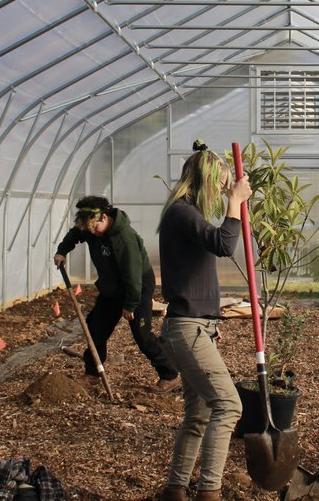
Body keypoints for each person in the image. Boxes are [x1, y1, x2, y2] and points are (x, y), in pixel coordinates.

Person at [154, 141, 252, 501]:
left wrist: (212, 317)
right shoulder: (181, 213)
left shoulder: (185, 214)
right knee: (229, 406)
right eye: (221, 185)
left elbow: (197, 272)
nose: (223, 191)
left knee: (197, 415)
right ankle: (209, 491)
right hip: (186, 330)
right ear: (206, 182)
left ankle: (175, 489)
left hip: (196, 327)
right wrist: (235, 203)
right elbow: (225, 244)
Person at [54, 195, 180, 393]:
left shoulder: (124, 238)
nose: (92, 233)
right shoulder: (90, 225)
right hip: (111, 287)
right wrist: (62, 251)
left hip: (136, 286)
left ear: (104, 217)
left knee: (142, 335)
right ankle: (93, 373)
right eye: (89, 229)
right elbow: (75, 234)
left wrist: (130, 305)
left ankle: (169, 375)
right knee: (95, 329)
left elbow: (133, 276)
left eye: (95, 228)